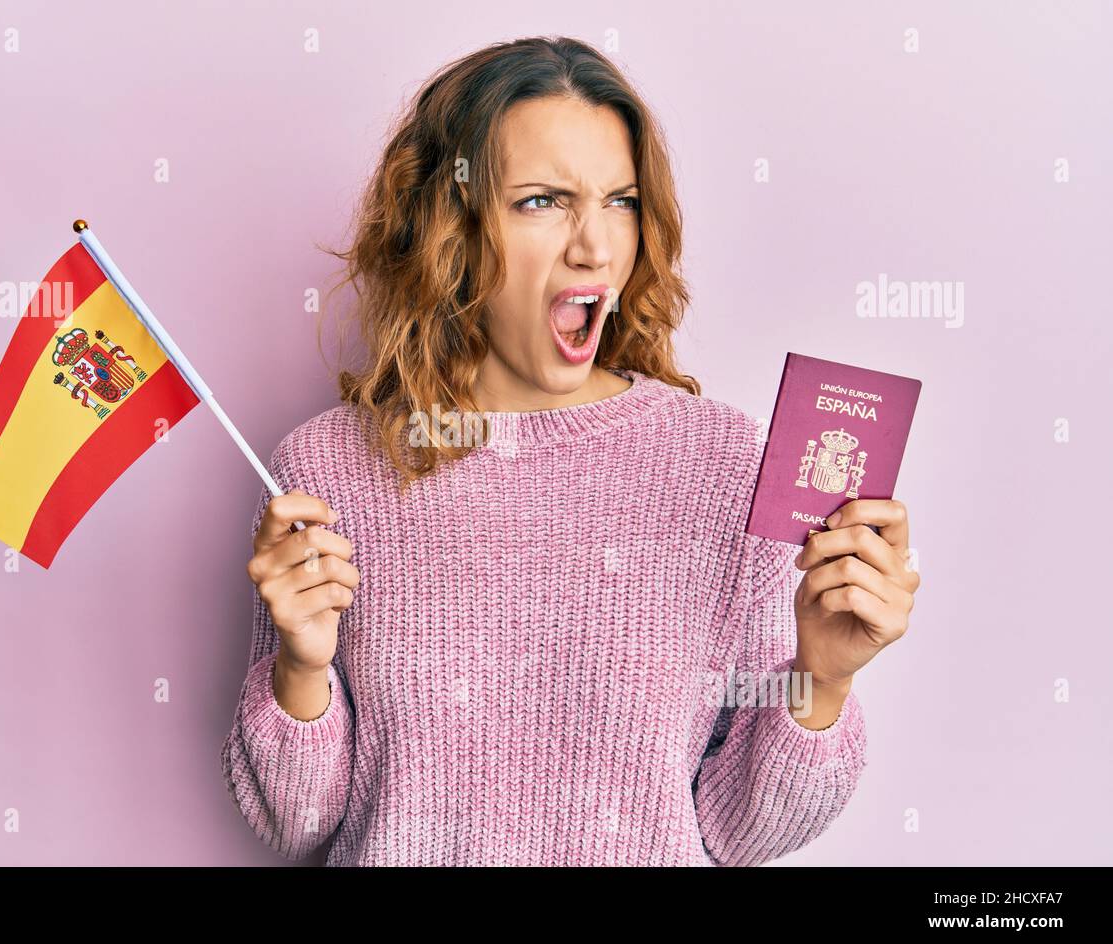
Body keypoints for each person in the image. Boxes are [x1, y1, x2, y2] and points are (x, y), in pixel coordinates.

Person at [220, 36, 920, 866]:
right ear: (451, 226)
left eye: (620, 201)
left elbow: (740, 834)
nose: (594, 246)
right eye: (542, 201)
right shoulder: (326, 470)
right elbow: (295, 823)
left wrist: (825, 679)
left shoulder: (728, 462)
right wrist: (301, 669)